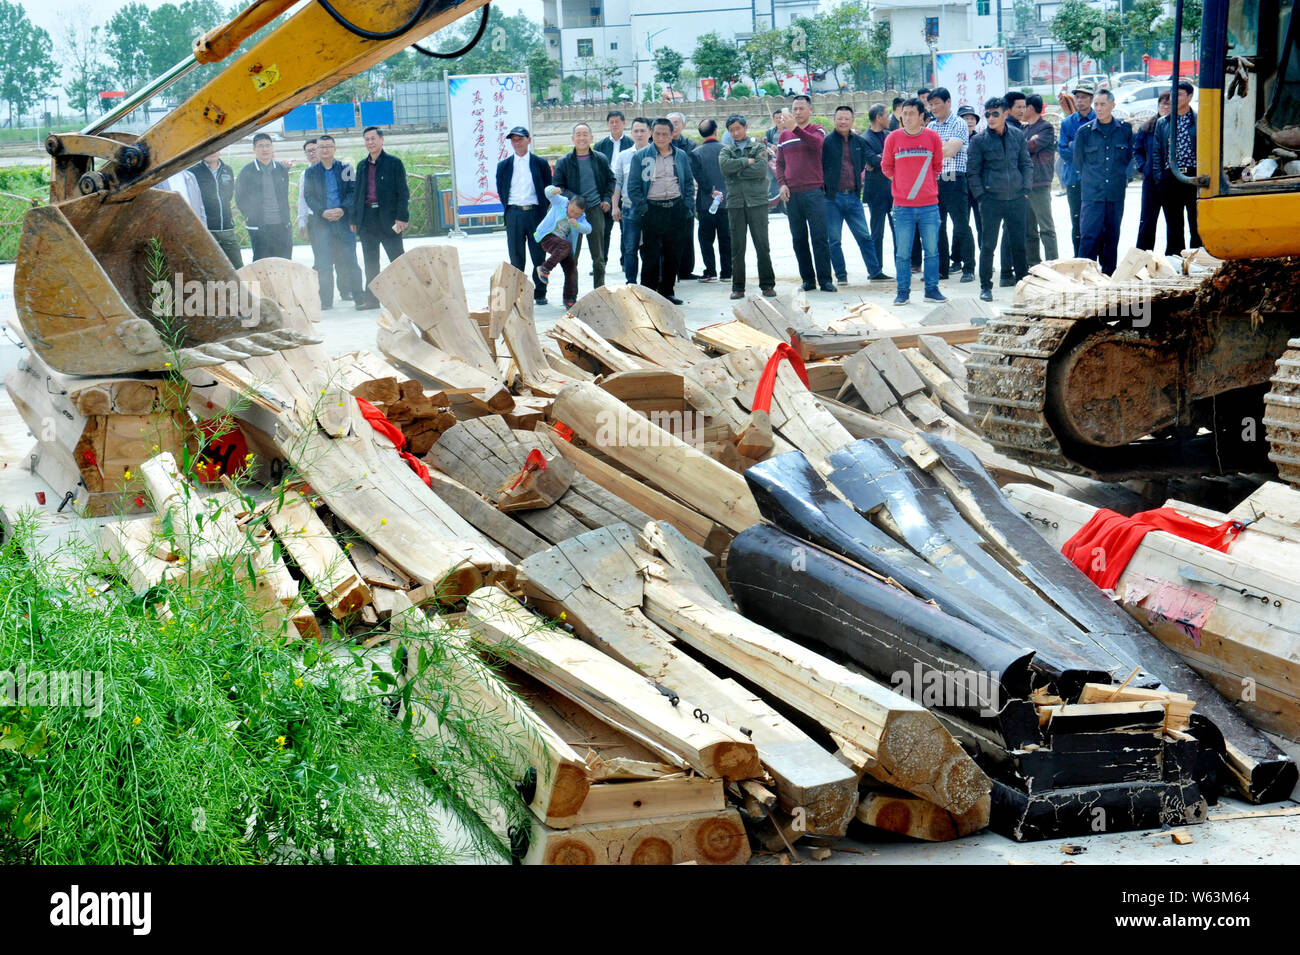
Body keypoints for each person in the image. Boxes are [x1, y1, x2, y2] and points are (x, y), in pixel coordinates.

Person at [881, 97, 946, 306]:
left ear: (921, 117)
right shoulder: (893, 138)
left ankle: (932, 290)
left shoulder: (932, 137)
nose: (906, 117)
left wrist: (924, 185)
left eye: (911, 114)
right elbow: (886, 166)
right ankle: (903, 292)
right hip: (902, 207)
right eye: (904, 113)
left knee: (932, 251)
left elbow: (937, 166)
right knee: (903, 253)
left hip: (929, 206)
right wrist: (901, 183)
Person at [968, 97, 1032, 302]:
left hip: (1016, 199)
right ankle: (985, 287)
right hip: (991, 201)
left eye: (995, 113)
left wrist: (1025, 189)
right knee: (988, 246)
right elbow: (972, 172)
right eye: (987, 114)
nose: (990, 118)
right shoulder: (979, 140)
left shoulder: (1017, 135)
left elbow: (1026, 164)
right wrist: (981, 197)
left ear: (1006, 114)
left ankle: (1022, 287)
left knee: (1019, 245)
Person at [626, 118, 696, 304]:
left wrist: (687, 206)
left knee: (673, 254)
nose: (661, 137)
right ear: (651, 134)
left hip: (676, 209)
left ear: (672, 135)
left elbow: (688, 183)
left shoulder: (680, 155)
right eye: (657, 133)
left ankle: (667, 292)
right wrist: (644, 209)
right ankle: (648, 295)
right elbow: (632, 187)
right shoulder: (641, 156)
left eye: (665, 134)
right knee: (650, 255)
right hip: (652, 211)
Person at [777, 94, 835, 292]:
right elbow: (779, 163)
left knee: (819, 237)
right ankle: (808, 280)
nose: (798, 112)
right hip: (792, 194)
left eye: (802, 108)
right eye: (795, 109)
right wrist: (782, 184)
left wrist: (795, 128)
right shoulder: (783, 136)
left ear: (811, 110)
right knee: (799, 239)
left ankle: (825, 280)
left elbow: (817, 145)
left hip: (814, 192)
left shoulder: (817, 129)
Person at [1073, 88, 1133, 275]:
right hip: (1092, 194)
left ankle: (1108, 277)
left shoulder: (1124, 130)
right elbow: (1078, 161)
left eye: (1102, 104)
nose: (1098, 108)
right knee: (1089, 237)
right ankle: (1085, 278)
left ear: (1112, 106)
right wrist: (1093, 179)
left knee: (1111, 237)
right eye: (1096, 104)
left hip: (1115, 194)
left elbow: (1129, 159)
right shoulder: (1084, 132)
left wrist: (1123, 177)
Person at [820, 105, 881, 284]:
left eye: (847, 118)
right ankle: (841, 275)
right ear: (834, 120)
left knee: (865, 236)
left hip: (854, 197)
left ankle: (875, 272)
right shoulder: (827, 142)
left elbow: (863, 163)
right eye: (840, 118)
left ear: (852, 120)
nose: (843, 121)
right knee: (834, 240)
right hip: (832, 198)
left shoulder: (859, 142)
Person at [719, 114, 777, 299]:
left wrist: (737, 172)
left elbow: (760, 170)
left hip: (757, 202)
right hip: (736, 203)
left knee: (763, 245)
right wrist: (746, 162)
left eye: (738, 128)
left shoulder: (759, 147)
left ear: (745, 127)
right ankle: (738, 287)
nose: (736, 133)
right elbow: (725, 168)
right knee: (737, 247)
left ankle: (767, 284)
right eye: (732, 130)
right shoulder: (726, 150)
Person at [301, 134, 362, 311]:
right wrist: (323, 212)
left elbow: (353, 192)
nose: (325, 150)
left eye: (328, 146)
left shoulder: (346, 168)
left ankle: (359, 296)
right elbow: (309, 196)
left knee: (350, 260)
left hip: (343, 221)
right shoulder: (310, 172)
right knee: (323, 263)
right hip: (321, 223)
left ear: (335, 149)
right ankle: (325, 301)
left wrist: (343, 209)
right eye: (321, 147)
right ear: (317, 150)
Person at [552, 122, 614, 295]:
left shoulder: (600, 159)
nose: (582, 138)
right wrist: (575, 200)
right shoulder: (564, 161)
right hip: (573, 213)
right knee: (572, 256)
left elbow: (611, 180)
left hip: (595, 210)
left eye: (585, 134)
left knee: (599, 257)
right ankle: (571, 295)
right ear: (573, 138)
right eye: (578, 134)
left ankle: (600, 292)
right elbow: (557, 186)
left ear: (591, 138)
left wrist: (606, 199)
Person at [350, 126, 409, 309]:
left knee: (397, 260)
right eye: (367, 139)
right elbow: (358, 194)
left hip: (389, 219)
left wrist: (402, 217)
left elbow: (403, 192)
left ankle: (406, 297)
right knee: (370, 262)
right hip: (367, 219)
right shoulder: (361, 166)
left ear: (382, 140)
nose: (370, 142)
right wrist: (354, 219)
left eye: (373, 138)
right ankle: (372, 300)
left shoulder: (394, 163)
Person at [496, 126, 552, 305]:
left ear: (529, 140)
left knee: (538, 255)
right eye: (513, 140)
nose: (517, 142)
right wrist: (510, 210)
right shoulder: (504, 166)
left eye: (520, 139)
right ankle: (518, 293)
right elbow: (501, 189)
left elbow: (548, 188)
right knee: (516, 256)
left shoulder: (540, 163)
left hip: (535, 214)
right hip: (514, 214)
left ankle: (540, 292)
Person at [926, 87, 975, 283]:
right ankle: (941, 269)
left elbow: (951, 150)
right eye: (930, 104)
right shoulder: (930, 127)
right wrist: (940, 147)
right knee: (938, 226)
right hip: (934, 181)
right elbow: (927, 152)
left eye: (937, 103)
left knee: (961, 225)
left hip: (954, 178)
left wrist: (935, 149)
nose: (933, 107)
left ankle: (968, 267)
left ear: (948, 102)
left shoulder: (959, 123)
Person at [1153, 81, 1201, 254]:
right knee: (1173, 222)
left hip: (1193, 176)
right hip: (1170, 176)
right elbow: (1157, 152)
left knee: (1196, 221)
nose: (1174, 98)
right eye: (1173, 94)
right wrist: (1160, 178)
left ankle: (1198, 257)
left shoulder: (1199, 120)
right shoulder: (1163, 122)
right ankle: (1175, 257)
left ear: (1189, 97)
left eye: (1179, 94)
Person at [235, 132, 293, 261]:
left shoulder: (281, 169)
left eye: (267, 145)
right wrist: (251, 216)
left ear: (272, 148)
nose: (265, 149)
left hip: (282, 225)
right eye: (261, 146)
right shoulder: (247, 171)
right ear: (254, 149)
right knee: (262, 263)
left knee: (284, 262)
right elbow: (239, 198)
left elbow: (284, 195)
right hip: (259, 226)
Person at [533, 185, 592, 307]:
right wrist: (553, 190)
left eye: (577, 213)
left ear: (582, 213)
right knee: (566, 245)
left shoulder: (580, 218)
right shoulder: (561, 202)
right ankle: (544, 268)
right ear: (569, 203)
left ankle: (568, 299)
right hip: (547, 236)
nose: (573, 214)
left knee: (571, 268)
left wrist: (578, 225)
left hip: (562, 246)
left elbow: (589, 229)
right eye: (571, 211)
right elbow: (547, 192)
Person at [689, 119, 731, 283]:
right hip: (726, 202)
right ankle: (727, 272)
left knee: (706, 239)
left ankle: (711, 271)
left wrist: (709, 191)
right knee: (726, 238)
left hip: (705, 203)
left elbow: (698, 177)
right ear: (716, 131)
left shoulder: (695, 153)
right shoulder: (727, 150)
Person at [611, 117, 652, 284]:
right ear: (631, 133)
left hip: (652, 209)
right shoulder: (623, 156)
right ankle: (631, 283)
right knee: (630, 248)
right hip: (629, 209)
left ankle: (651, 283)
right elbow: (617, 183)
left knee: (651, 249)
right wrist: (615, 206)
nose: (639, 134)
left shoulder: (656, 154)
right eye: (636, 131)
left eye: (643, 131)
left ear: (650, 133)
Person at [1021, 95, 1059, 267]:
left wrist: (1021, 145)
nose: (1021, 111)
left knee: (1046, 228)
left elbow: (1029, 147)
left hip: (1040, 183)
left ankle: (1053, 265)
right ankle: (1033, 265)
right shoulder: (1024, 130)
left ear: (1031, 108)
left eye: (1024, 107)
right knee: (1029, 230)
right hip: (1024, 184)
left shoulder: (1046, 128)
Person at [189, 149, 242, 269]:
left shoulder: (227, 170)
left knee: (237, 267)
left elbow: (228, 195)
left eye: (216, 148)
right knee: (211, 269)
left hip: (227, 228)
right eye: (208, 148)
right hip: (206, 230)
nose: (212, 151)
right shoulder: (193, 173)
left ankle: (239, 288)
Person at [1058, 84, 1094, 255]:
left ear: (1092, 99)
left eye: (1084, 97)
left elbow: (1100, 150)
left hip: (1096, 179)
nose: (1080, 100)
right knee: (1077, 221)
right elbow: (1063, 150)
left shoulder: (1099, 120)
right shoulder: (1068, 123)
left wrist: (1076, 145)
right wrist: (1085, 149)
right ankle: (1078, 258)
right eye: (1077, 97)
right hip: (1074, 178)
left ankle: (1094, 259)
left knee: (1096, 221)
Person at [594, 110, 633, 268]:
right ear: (608, 124)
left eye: (618, 121)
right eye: (612, 122)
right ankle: (601, 262)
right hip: (606, 193)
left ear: (624, 123)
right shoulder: (600, 146)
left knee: (627, 230)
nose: (615, 125)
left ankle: (625, 262)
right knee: (603, 230)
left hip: (626, 192)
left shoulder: (631, 144)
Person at [1134, 91, 1171, 251]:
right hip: (1151, 180)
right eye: (1162, 103)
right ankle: (1142, 256)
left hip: (1170, 179)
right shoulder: (1147, 127)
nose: (1164, 106)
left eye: (1168, 104)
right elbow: (1137, 150)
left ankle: (1174, 255)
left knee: (1173, 221)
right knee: (1147, 220)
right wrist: (1144, 167)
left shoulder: (1176, 125)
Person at [861, 104, 894, 280]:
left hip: (894, 190)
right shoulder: (864, 138)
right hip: (876, 192)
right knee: (877, 232)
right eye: (887, 115)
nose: (889, 118)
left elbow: (895, 157)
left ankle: (902, 265)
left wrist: (881, 158)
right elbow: (872, 160)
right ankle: (876, 269)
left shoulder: (891, 135)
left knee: (898, 230)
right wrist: (882, 159)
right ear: (878, 117)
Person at [666, 112, 699, 280]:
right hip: (665, 194)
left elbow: (691, 170)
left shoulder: (690, 145)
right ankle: (670, 270)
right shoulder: (659, 144)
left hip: (685, 194)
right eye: (671, 123)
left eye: (677, 122)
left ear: (683, 125)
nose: (674, 126)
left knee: (687, 233)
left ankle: (686, 270)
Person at [957, 105, 983, 246]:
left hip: (977, 187)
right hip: (960, 186)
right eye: (966, 118)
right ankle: (956, 259)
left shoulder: (981, 139)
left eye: (972, 118)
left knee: (982, 224)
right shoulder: (953, 140)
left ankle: (986, 258)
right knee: (961, 224)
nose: (969, 121)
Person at [296, 139, 317, 244]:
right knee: (320, 257)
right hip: (314, 219)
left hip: (335, 218)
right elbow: (302, 199)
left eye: (314, 150)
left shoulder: (335, 169)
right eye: (308, 151)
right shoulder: (305, 174)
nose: (312, 153)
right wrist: (302, 222)